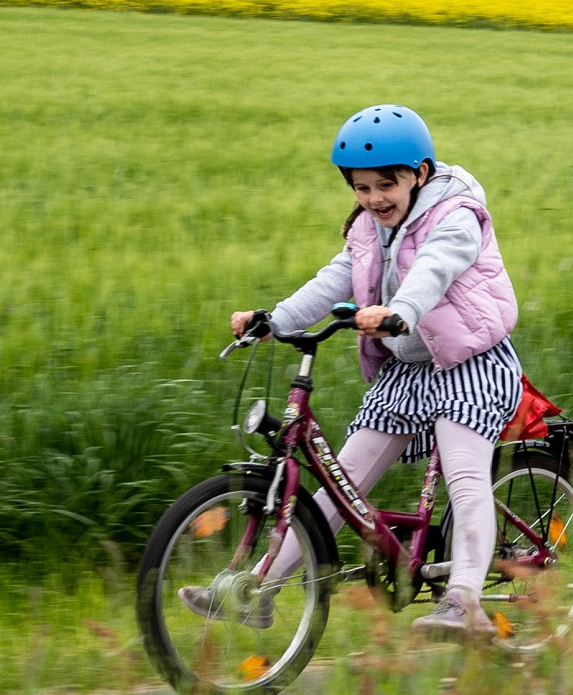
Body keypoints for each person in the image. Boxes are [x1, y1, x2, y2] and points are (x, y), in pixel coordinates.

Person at [222, 103, 524, 646]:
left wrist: (400, 311)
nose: (374, 198)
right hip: (409, 369)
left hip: (470, 364)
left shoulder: (456, 215)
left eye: (388, 183)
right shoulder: (367, 227)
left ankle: (464, 602)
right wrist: (274, 320)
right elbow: (337, 277)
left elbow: (435, 267)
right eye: (361, 188)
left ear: (421, 173)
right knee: (342, 484)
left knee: (463, 472)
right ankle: (259, 590)